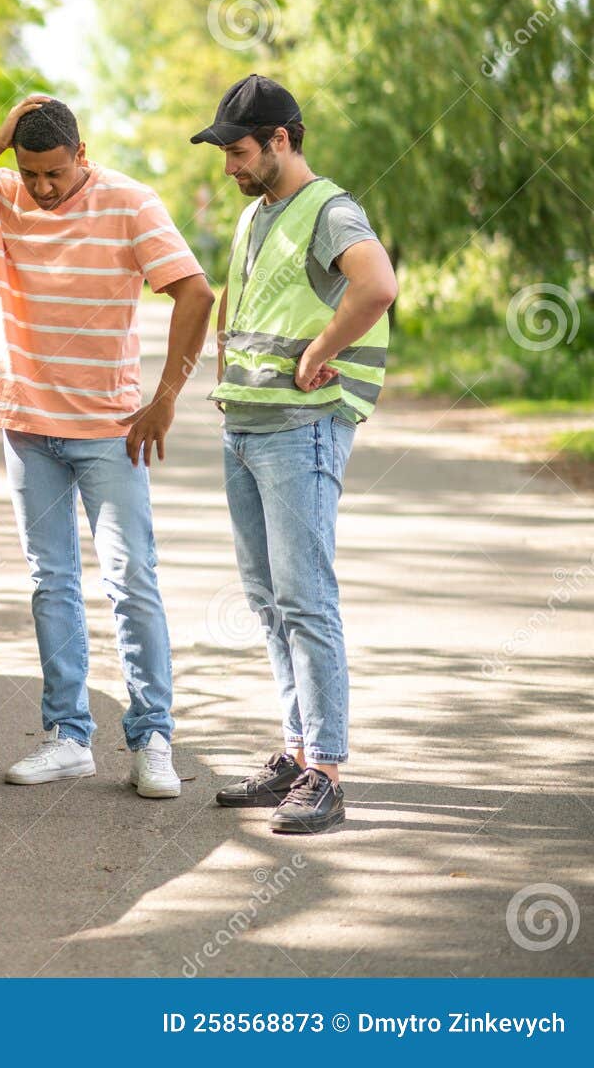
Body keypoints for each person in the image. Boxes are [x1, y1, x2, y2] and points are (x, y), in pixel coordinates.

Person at [0, 95, 214, 798]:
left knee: (131, 578)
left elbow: (195, 294)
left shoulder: (131, 204)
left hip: (109, 430)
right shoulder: (4, 194)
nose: (42, 188)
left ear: (83, 154)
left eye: (54, 173)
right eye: (31, 171)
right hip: (27, 425)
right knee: (52, 581)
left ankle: (153, 738)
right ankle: (69, 737)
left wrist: (165, 395)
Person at [190, 74, 398, 833]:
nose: (229, 166)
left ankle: (328, 772)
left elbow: (377, 285)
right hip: (246, 426)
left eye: (239, 151)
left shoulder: (329, 208)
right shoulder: (257, 213)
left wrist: (320, 349)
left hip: (300, 426)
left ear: (281, 139)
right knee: (269, 603)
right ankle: (295, 750)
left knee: (306, 600)